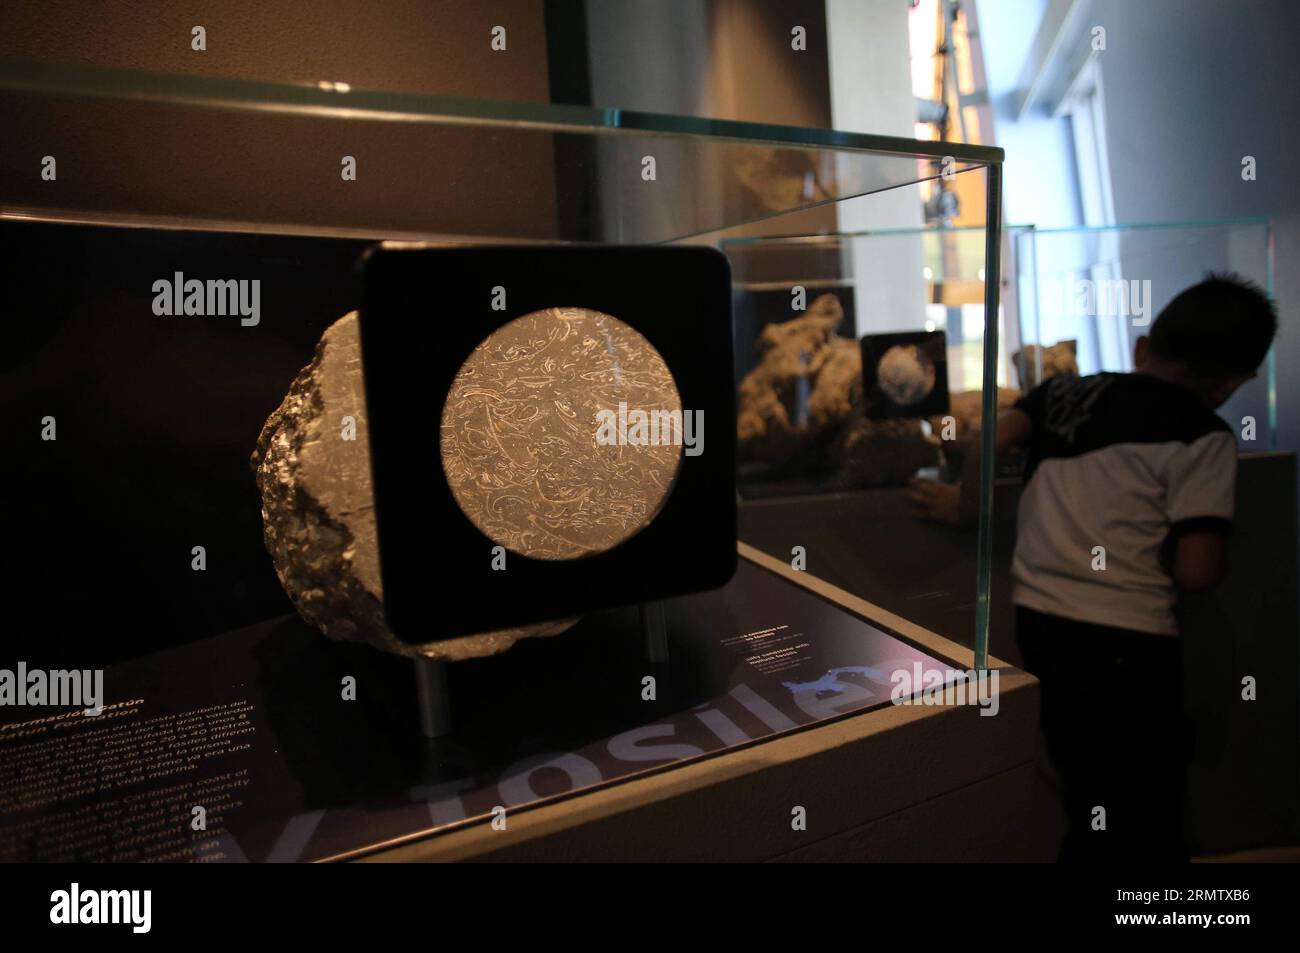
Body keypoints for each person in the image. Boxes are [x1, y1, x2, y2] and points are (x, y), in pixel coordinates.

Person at [908, 272, 1278, 861]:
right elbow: (1197, 569)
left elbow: (987, 439)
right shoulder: (1204, 435)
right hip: (1130, 641)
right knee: (1145, 802)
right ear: (1233, 382)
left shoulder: (1065, 395)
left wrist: (966, 508)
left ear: (1141, 348)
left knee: (1088, 789)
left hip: (1043, 625)